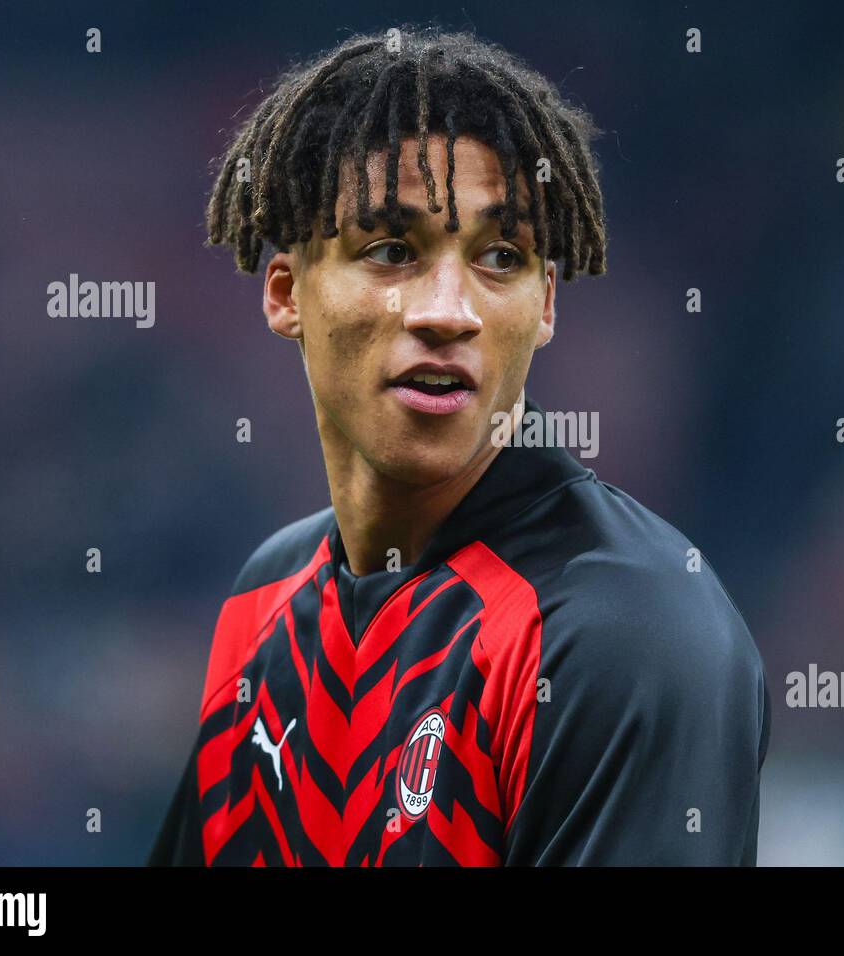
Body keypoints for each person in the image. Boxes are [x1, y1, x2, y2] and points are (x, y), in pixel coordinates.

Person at [148, 25, 770, 866]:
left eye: (500, 257)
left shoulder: (628, 634)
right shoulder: (263, 603)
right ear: (287, 293)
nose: (450, 310)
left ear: (546, 305)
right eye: (392, 250)